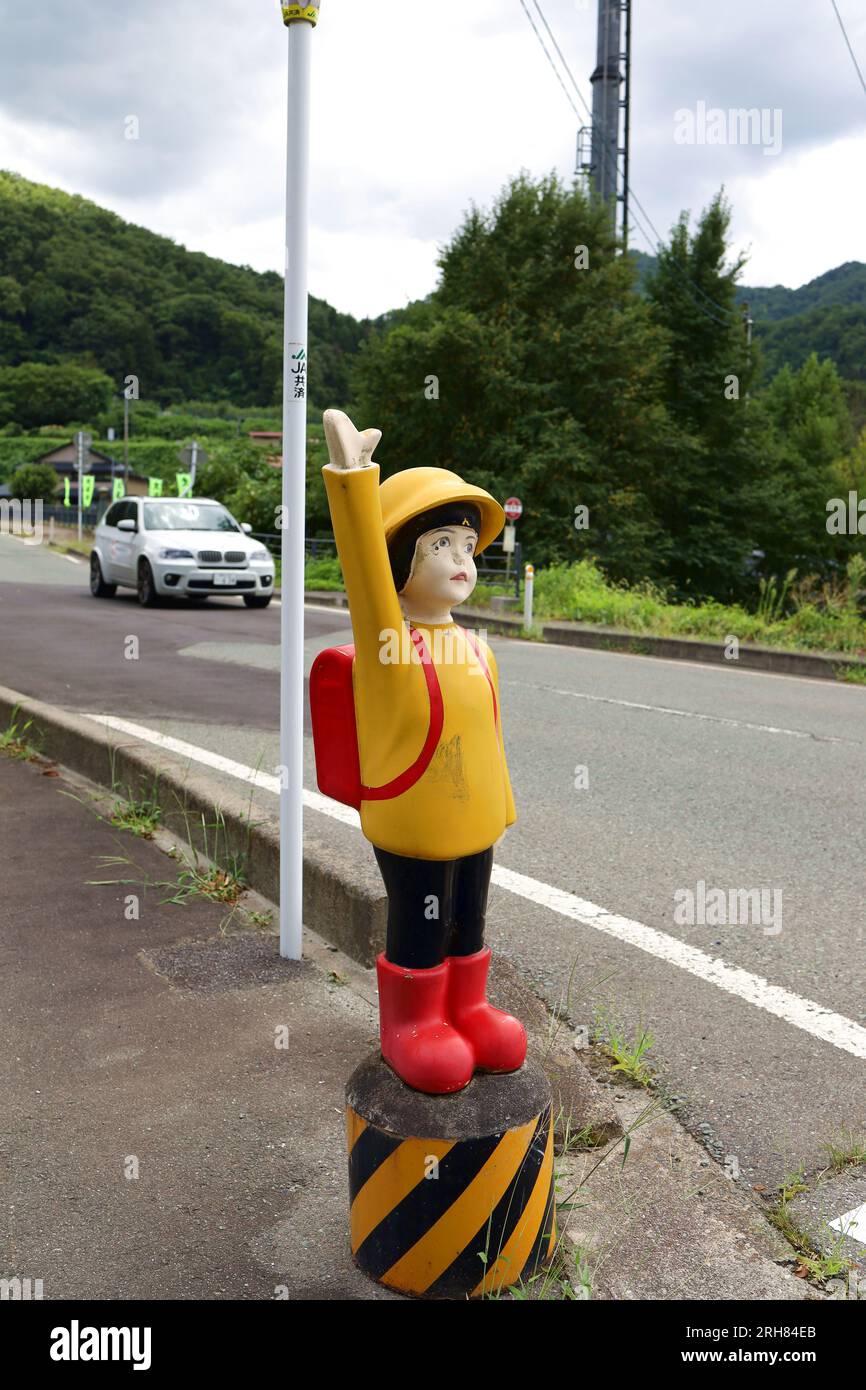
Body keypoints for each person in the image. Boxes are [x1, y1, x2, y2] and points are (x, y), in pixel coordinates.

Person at [316, 409, 527, 1094]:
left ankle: (466, 1008)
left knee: (471, 910)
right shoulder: (390, 648)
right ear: (398, 558)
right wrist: (352, 486)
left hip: (474, 821)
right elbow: (368, 591)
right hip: (414, 821)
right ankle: (411, 1026)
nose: (463, 560)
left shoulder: (475, 646)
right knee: (422, 914)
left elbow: (488, 735)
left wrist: (503, 805)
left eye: (468, 545)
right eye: (441, 545)